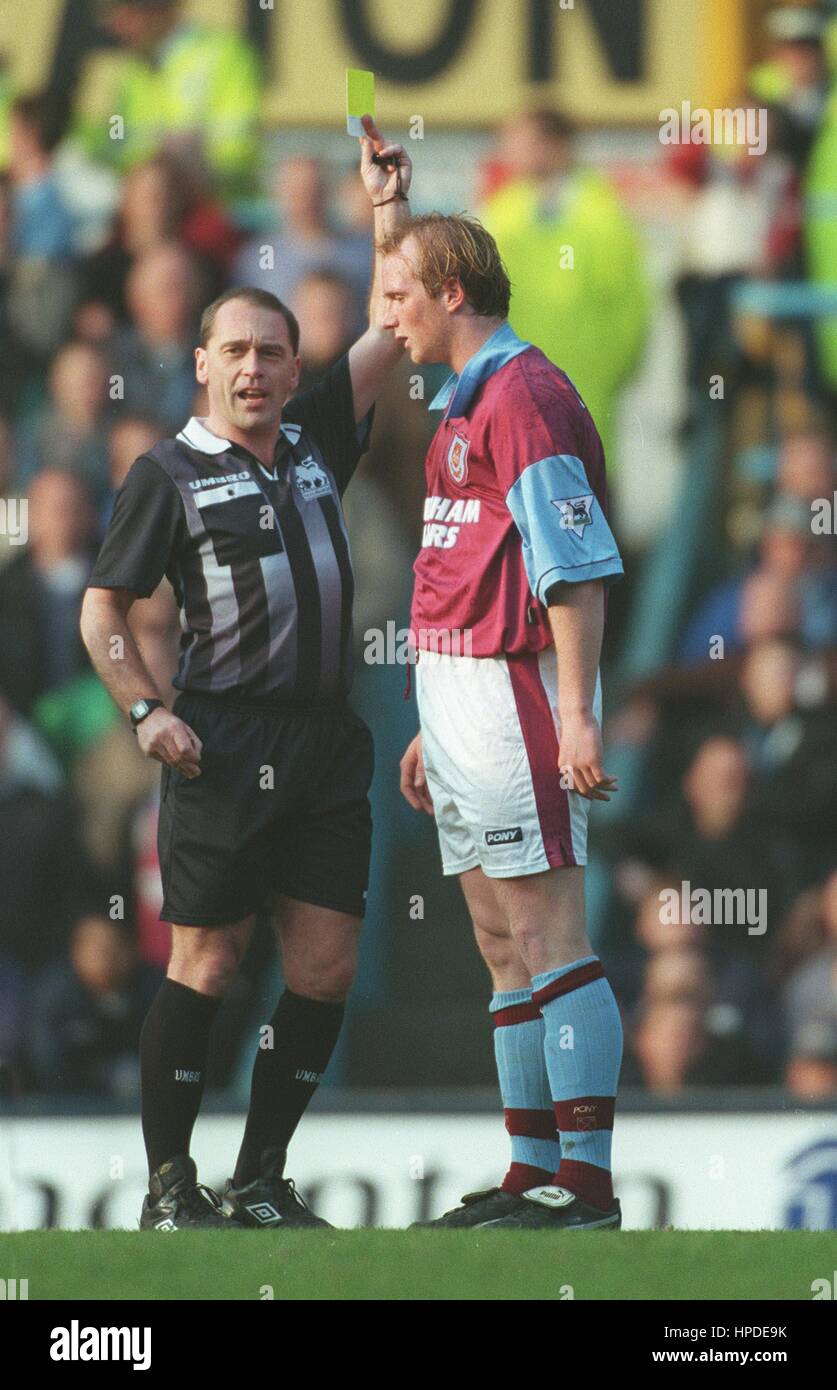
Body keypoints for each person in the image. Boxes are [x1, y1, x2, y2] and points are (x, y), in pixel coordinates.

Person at [80, 118, 412, 1230]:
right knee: (210, 962)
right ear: (202, 365)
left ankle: (260, 1175)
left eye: (274, 352)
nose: (258, 370)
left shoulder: (321, 433)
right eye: (238, 353)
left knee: (323, 966)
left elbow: (388, 323)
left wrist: (384, 208)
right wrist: (144, 709)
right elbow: (102, 611)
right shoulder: (165, 473)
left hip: (327, 738)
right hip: (223, 740)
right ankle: (170, 1186)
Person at [383, 214, 625, 1230]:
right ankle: (532, 1169)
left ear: (447, 292)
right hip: (460, 692)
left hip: (517, 686)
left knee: (547, 928)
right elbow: (465, 556)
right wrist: (430, 717)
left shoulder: (523, 394)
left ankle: (587, 1183)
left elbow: (573, 565)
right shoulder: (465, 395)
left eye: (400, 293)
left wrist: (573, 713)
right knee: (497, 936)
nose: (389, 315)